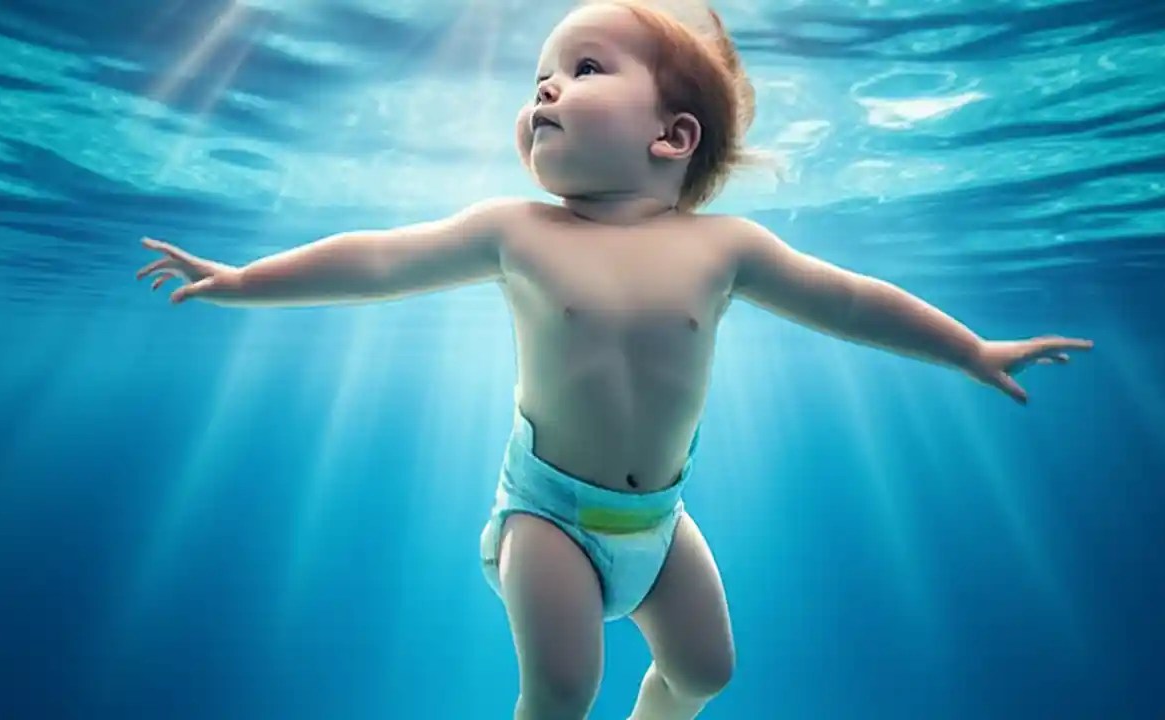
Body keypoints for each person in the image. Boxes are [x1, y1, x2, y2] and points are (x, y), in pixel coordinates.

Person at [135, 1, 1093, 717]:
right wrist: (245, 277)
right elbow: (380, 259)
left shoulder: (727, 250)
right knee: (561, 689)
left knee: (708, 672)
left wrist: (970, 348)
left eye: (582, 67)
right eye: (537, 78)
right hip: (545, 515)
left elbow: (848, 302)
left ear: (673, 137)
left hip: (657, 520)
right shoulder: (517, 231)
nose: (543, 88)